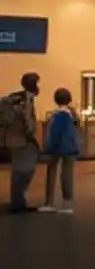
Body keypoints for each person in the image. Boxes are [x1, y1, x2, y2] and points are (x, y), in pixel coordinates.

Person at [3, 72, 41, 213]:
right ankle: (19, 204)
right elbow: (27, 121)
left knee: (19, 171)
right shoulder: (25, 100)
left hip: (14, 140)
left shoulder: (15, 98)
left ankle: (18, 202)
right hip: (23, 141)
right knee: (24, 172)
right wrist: (33, 140)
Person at [40, 88, 78, 214]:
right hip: (70, 148)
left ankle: (49, 202)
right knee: (67, 175)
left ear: (55, 100)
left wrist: (47, 146)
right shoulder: (72, 115)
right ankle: (67, 204)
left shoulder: (55, 116)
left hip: (55, 148)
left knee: (51, 172)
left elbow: (53, 133)